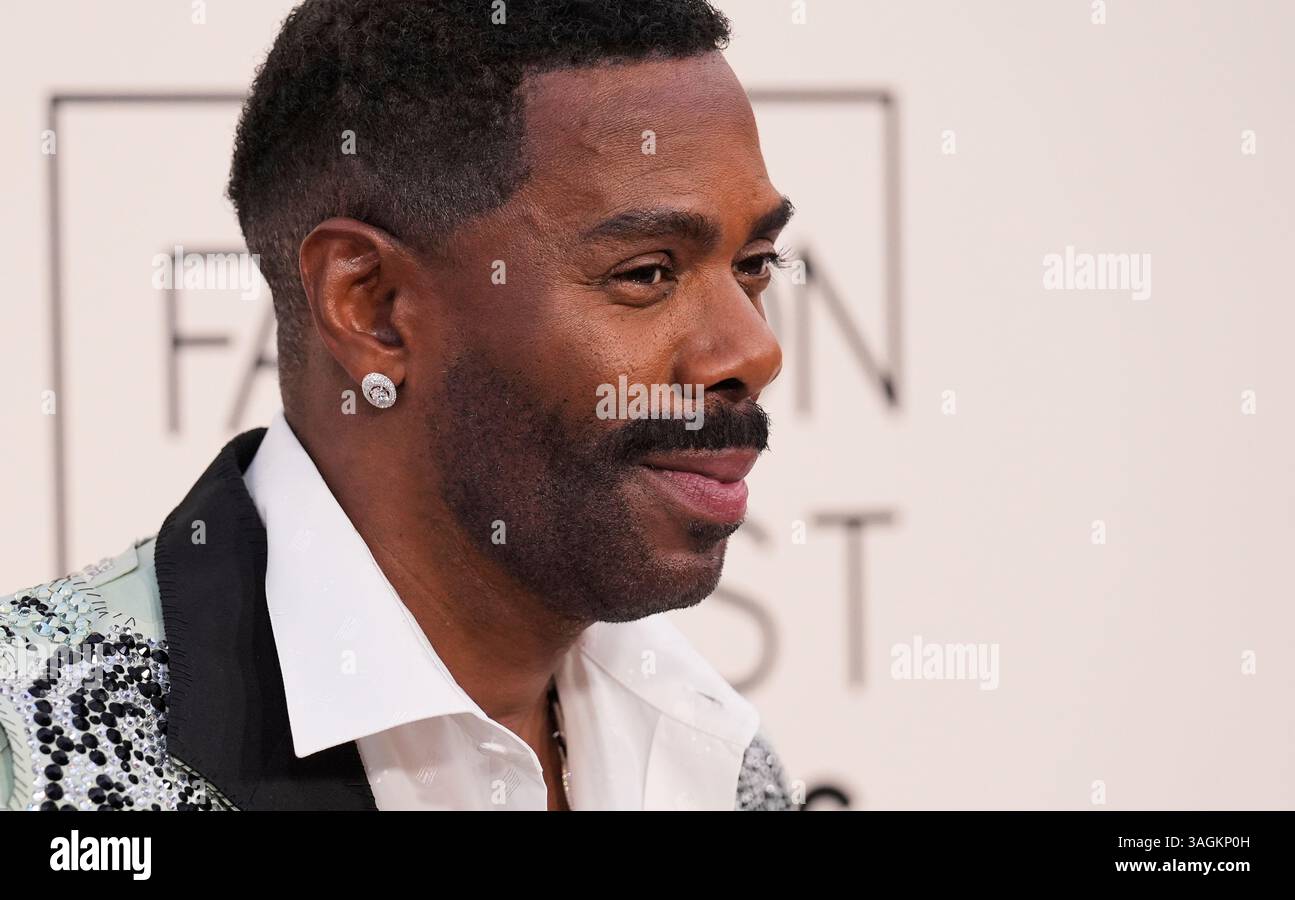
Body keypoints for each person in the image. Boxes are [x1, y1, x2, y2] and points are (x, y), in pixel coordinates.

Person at [0, 0, 796, 811]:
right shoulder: (32, 740)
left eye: (756, 263)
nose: (754, 352)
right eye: (647, 272)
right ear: (372, 307)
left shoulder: (724, 764)